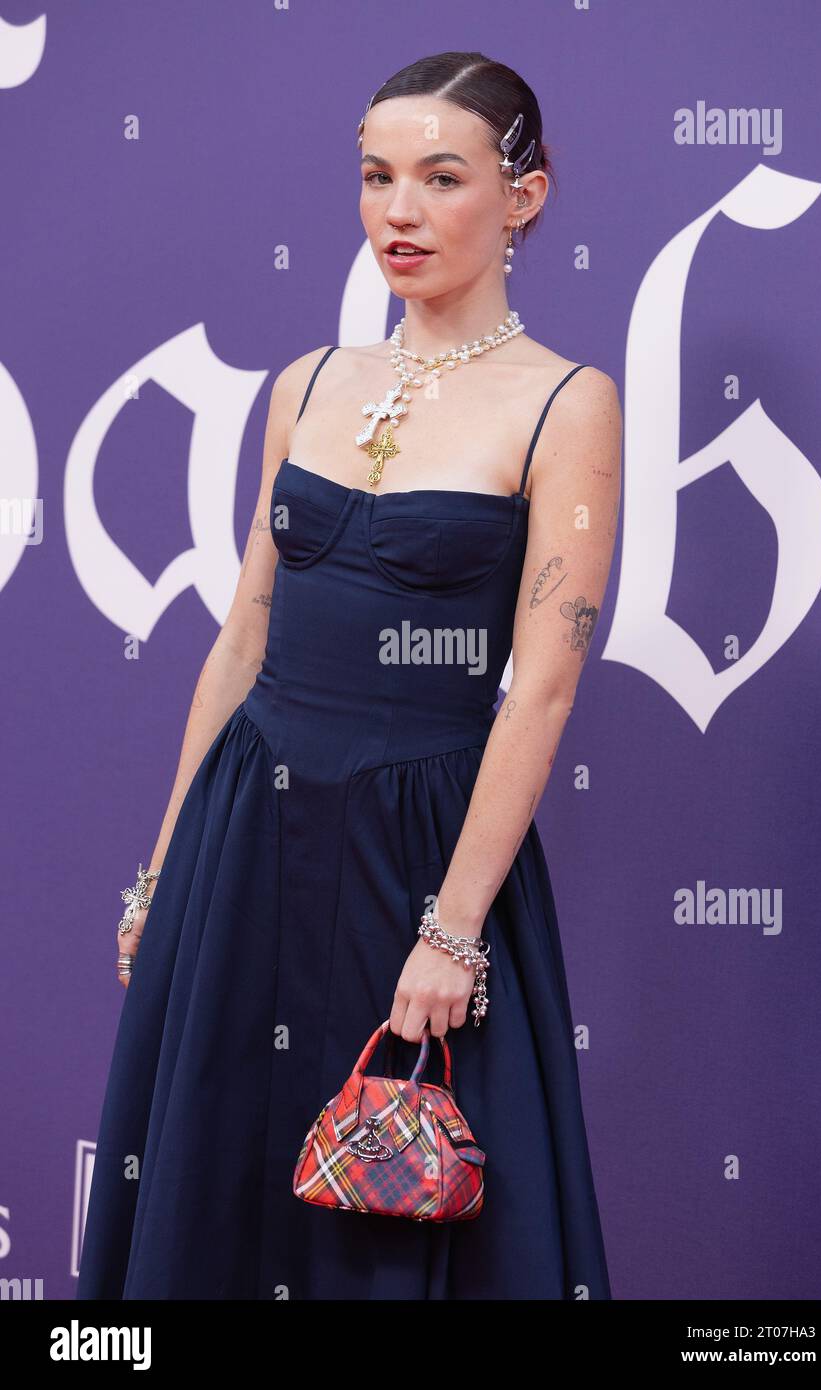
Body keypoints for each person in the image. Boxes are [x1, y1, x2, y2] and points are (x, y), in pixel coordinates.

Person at [77, 49, 621, 1301]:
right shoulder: (308, 384)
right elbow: (241, 641)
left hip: (417, 848)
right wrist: (161, 870)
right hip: (245, 829)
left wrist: (453, 927)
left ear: (522, 197)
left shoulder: (565, 404)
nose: (399, 211)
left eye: (441, 177)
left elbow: (537, 691)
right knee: (213, 1173)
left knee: (391, 1201)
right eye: (378, 177)